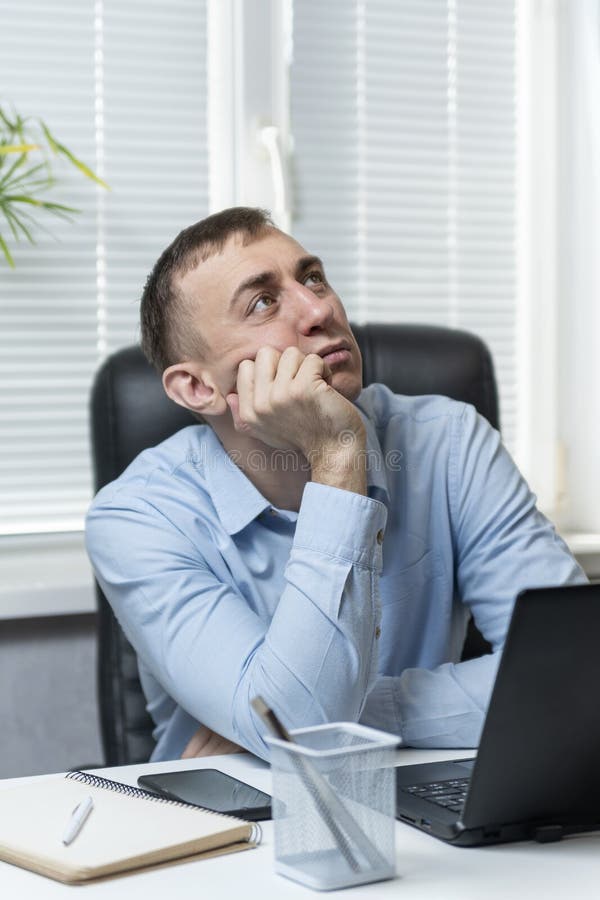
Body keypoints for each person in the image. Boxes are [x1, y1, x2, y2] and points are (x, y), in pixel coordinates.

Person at [86, 207, 586, 762]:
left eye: (312, 277)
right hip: (232, 818)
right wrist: (337, 456)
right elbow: (301, 725)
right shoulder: (136, 517)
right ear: (197, 388)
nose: (318, 308)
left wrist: (352, 711)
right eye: (262, 301)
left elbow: (579, 671)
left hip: (420, 785)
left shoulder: (449, 442)